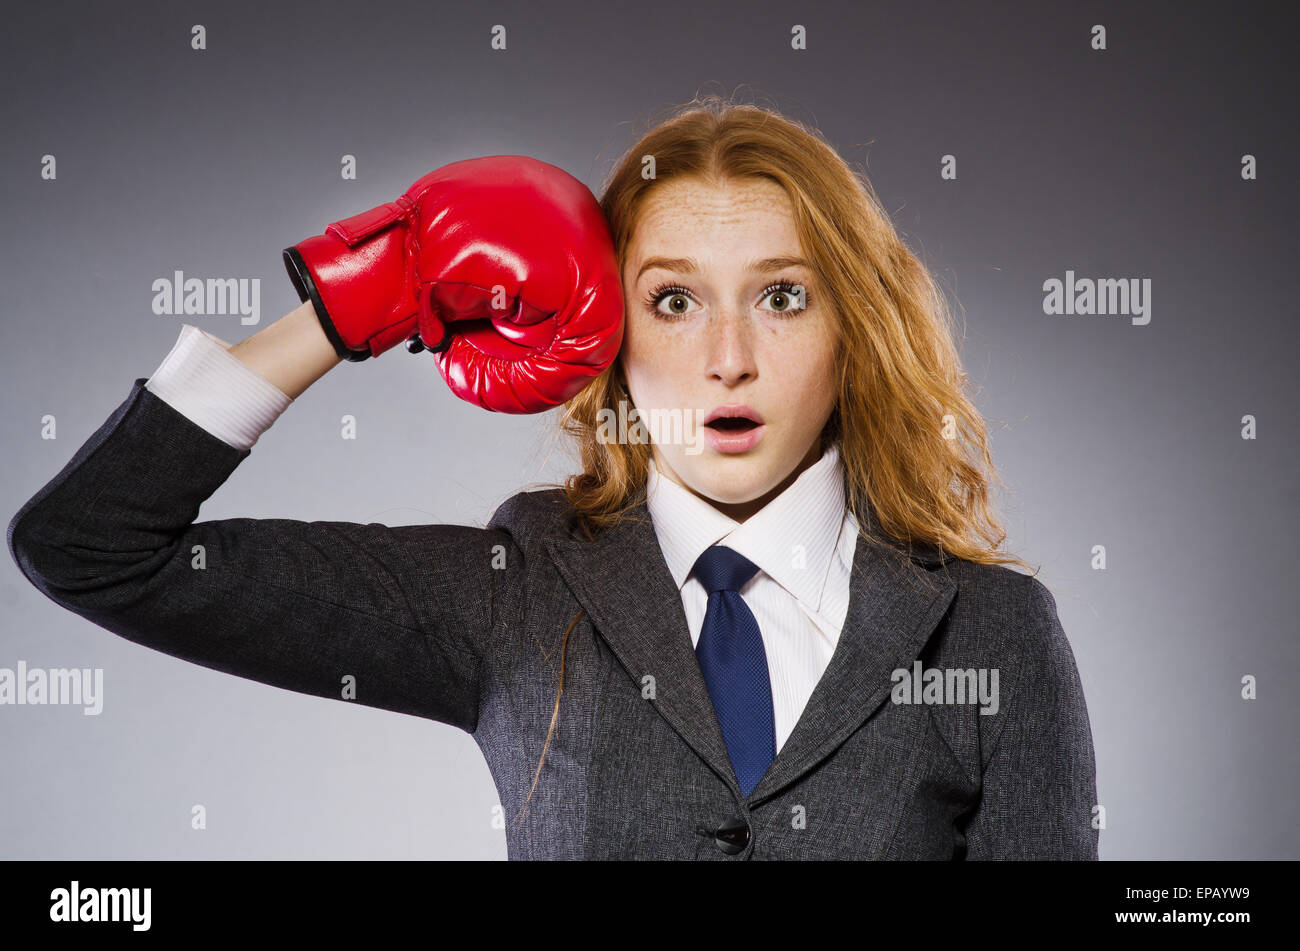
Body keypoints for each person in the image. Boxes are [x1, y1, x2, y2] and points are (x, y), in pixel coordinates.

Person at [7, 95, 1098, 860]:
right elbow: (92, 549)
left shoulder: (990, 630)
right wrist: (356, 299)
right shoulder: (514, 590)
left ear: (853, 328)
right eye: (672, 300)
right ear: (608, 331)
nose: (728, 356)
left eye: (781, 297)